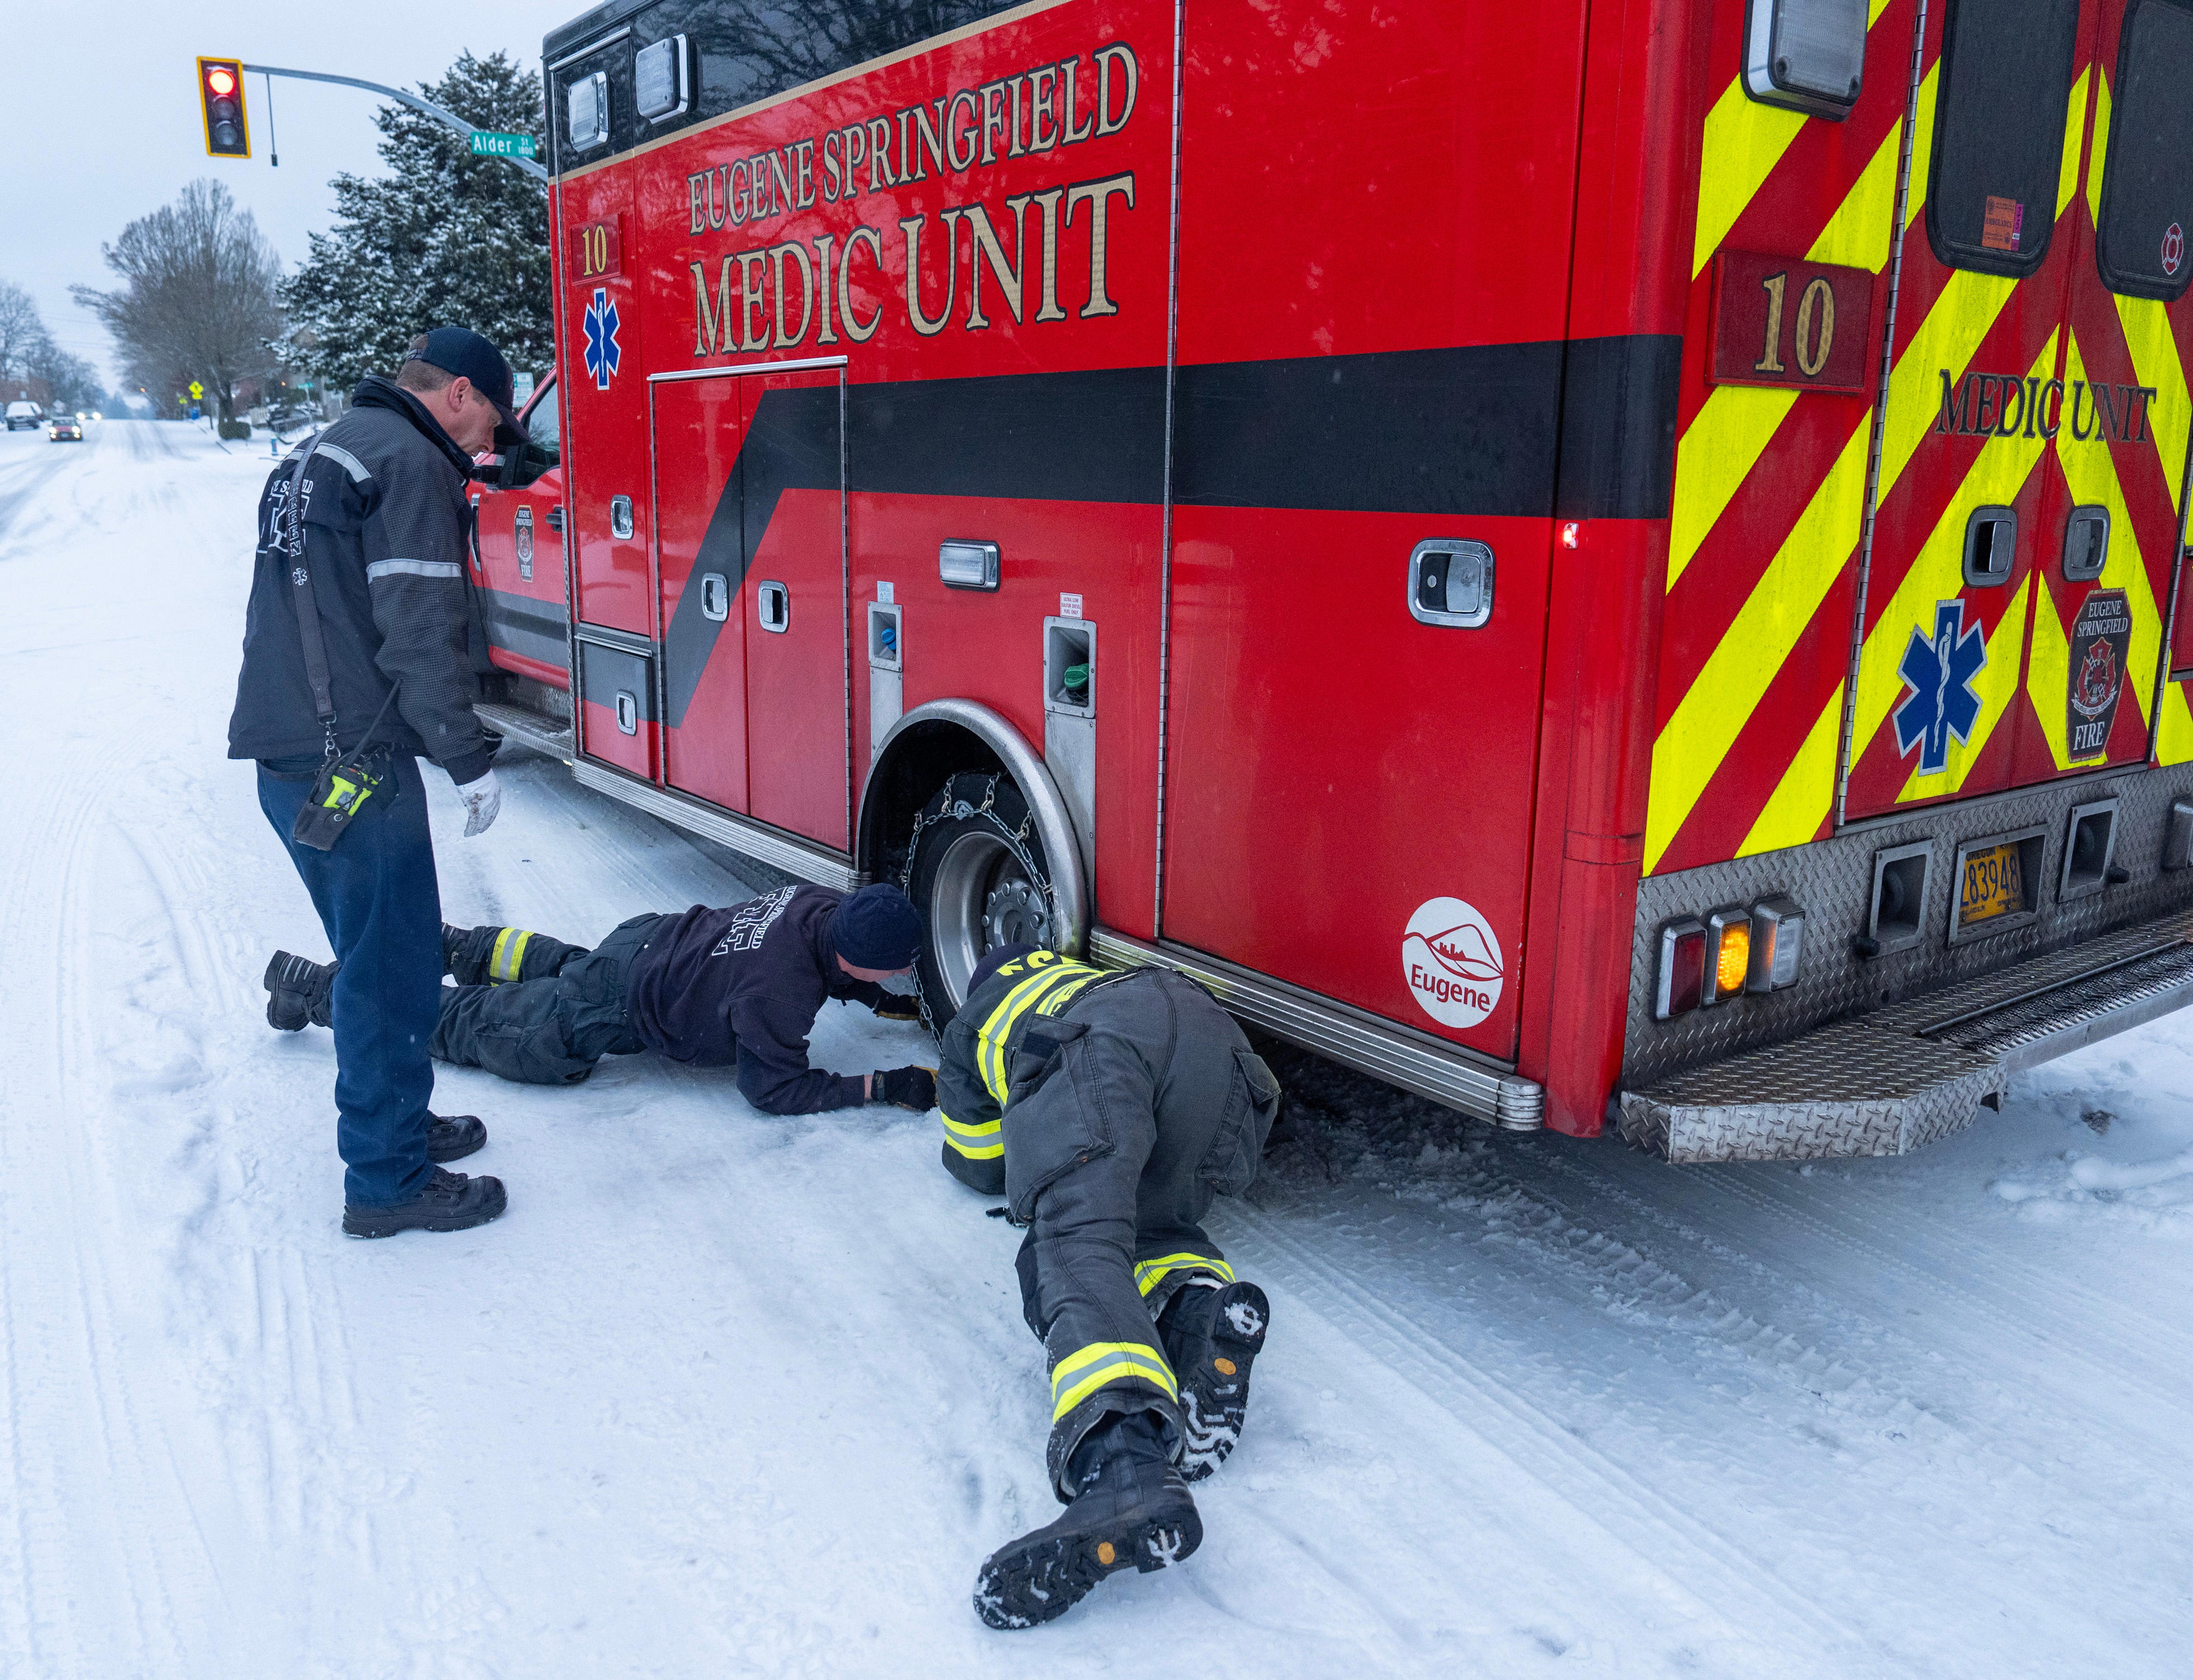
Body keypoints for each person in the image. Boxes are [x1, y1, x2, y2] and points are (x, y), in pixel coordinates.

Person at [230, 328, 529, 1239]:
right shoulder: (409, 463)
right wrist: (468, 758)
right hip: (353, 762)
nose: (484, 451)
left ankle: (397, 1125)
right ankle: (386, 1179)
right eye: (489, 428)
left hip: (295, 758)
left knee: (379, 959)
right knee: (391, 970)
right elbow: (417, 632)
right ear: (461, 394)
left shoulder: (316, 453)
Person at [932, 945, 1283, 1629]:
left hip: (1102, 1049)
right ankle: (1199, 1317)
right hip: (1222, 1052)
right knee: (1151, 1220)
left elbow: (977, 1163)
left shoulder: (974, 1019)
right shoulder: (1078, 972)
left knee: (1074, 1240)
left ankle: (1124, 1464)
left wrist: (1034, 1163)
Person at [263, 884, 942, 1117]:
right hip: (614, 1007)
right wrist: (880, 1086)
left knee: (562, 972)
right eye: (889, 972)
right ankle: (314, 988)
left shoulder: (819, 904)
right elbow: (773, 1090)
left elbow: (836, 957)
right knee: (477, 1027)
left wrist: (868, 995)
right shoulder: (781, 990)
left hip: (646, 942)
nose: (894, 979)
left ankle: (449, 943)